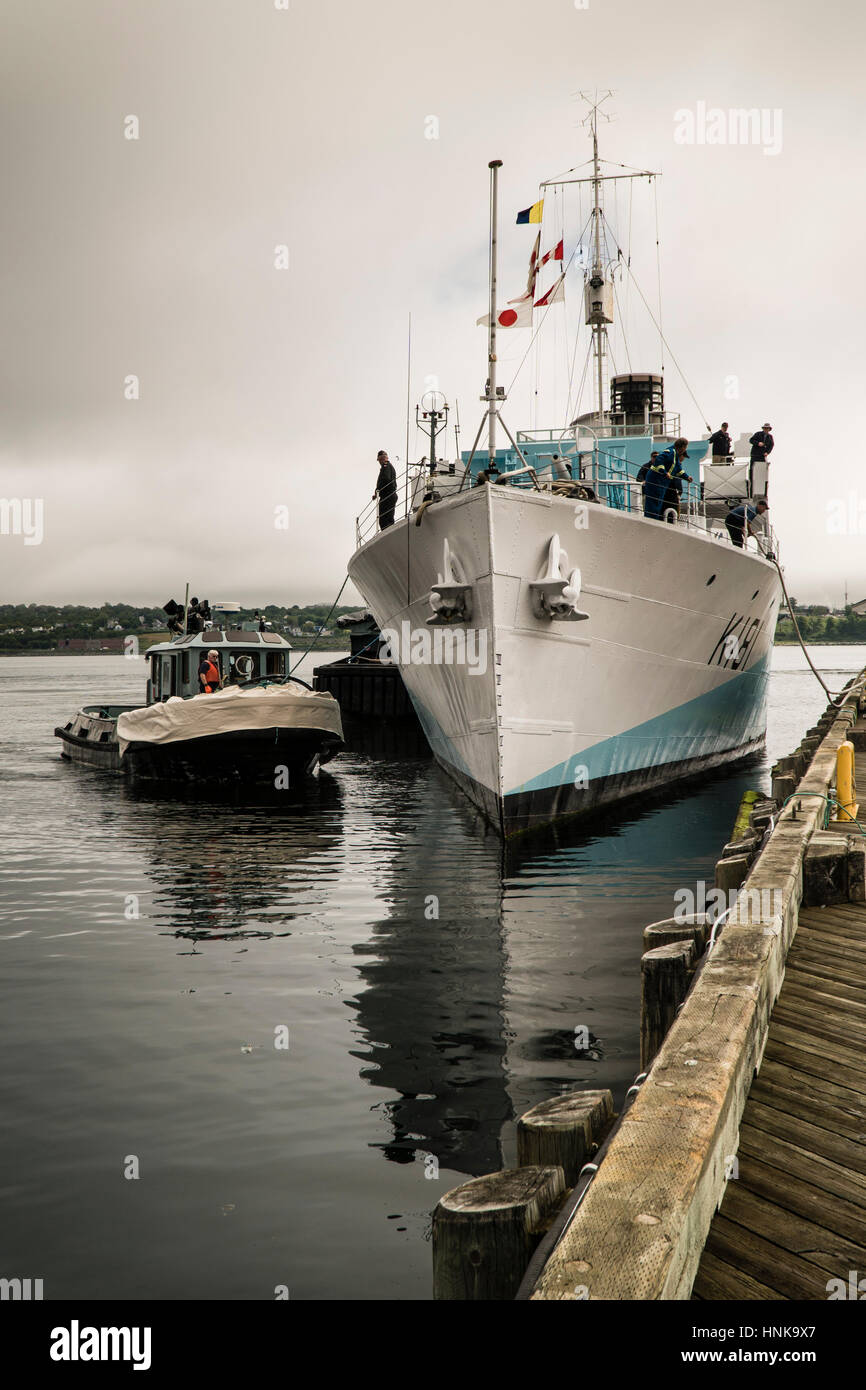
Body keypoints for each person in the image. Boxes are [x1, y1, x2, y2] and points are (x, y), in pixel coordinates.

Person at [643, 439, 692, 520]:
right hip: (655, 480)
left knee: (658, 502)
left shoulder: (675, 456)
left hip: (662, 482)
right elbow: (659, 459)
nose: (685, 450)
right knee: (653, 501)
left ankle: (655, 519)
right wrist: (665, 472)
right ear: (683, 447)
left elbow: (679, 470)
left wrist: (687, 477)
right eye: (685, 447)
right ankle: (651, 520)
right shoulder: (670, 452)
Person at [372, 450, 397, 529]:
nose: (379, 462)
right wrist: (376, 493)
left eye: (379, 460)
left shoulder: (385, 466)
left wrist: (378, 490)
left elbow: (385, 479)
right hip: (391, 495)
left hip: (387, 495)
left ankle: (388, 535)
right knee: (389, 518)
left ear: (381, 459)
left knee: (383, 520)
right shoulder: (389, 466)